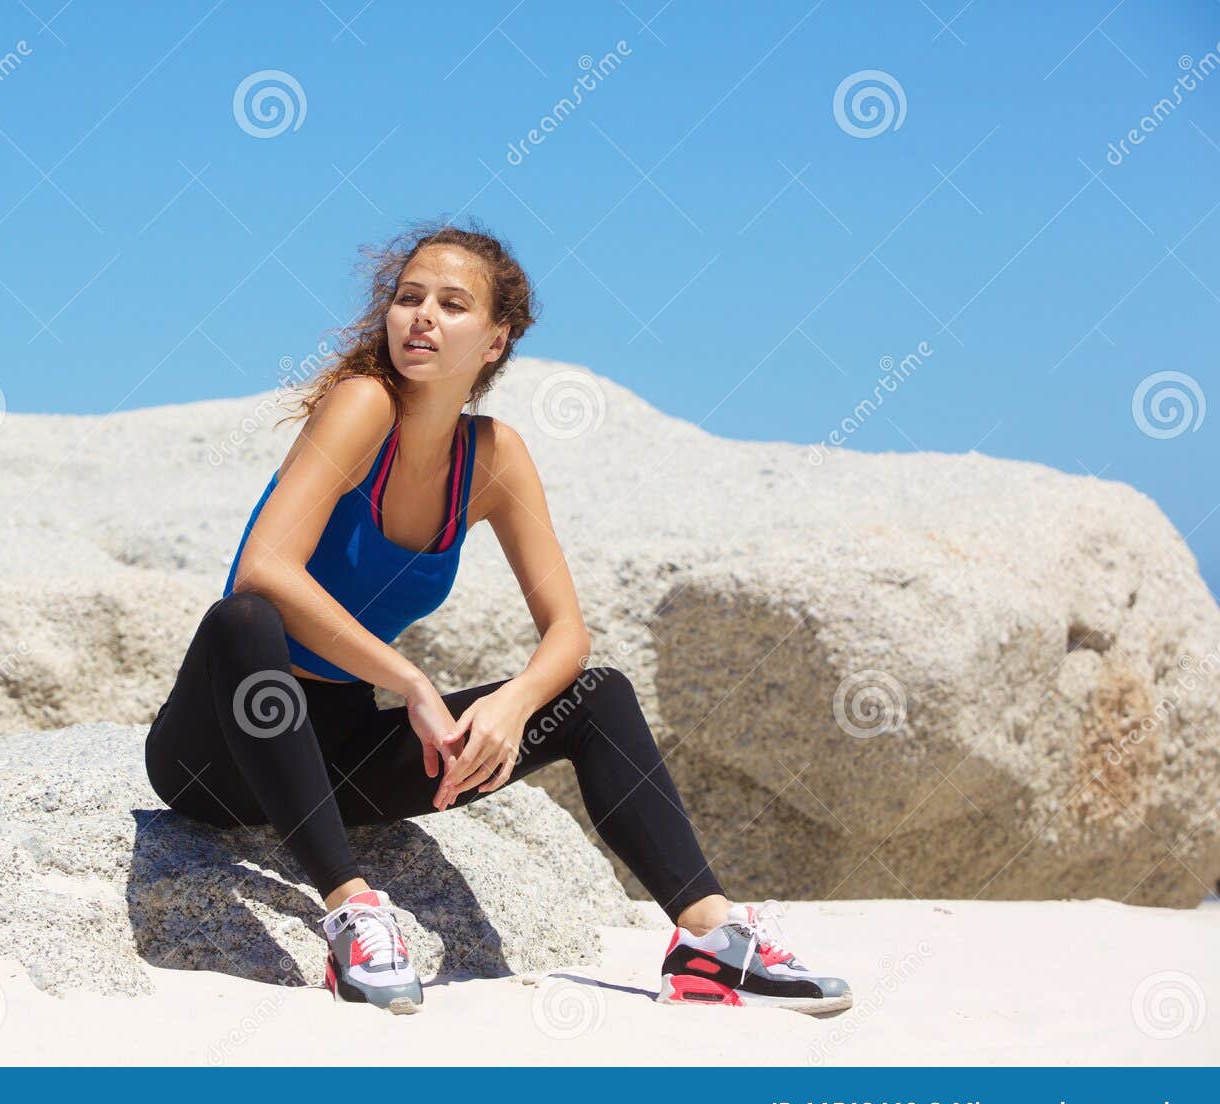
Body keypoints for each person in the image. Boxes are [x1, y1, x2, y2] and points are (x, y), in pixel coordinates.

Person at [144, 219, 852, 1016]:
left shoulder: (494, 458)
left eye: (452, 304)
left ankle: (708, 940)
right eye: (409, 298)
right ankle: (350, 911)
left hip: (333, 755)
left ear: (494, 340)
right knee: (244, 619)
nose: (422, 317)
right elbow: (263, 570)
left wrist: (511, 706)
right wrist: (410, 679)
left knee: (596, 694)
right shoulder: (360, 405)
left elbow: (567, 632)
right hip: (217, 747)